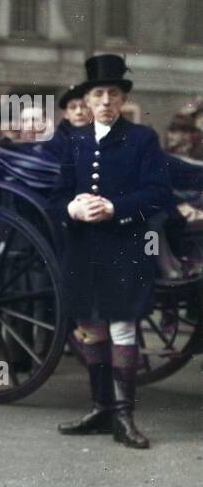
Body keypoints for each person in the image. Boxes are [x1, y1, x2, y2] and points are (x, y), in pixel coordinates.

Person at [49, 55, 173, 449]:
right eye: (98, 93)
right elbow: (55, 195)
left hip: (125, 248)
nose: (105, 100)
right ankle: (101, 408)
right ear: (87, 99)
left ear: (122, 99)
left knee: (122, 327)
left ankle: (124, 415)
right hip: (83, 248)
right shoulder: (74, 140)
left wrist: (116, 207)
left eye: (113, 93)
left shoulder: (142, 139)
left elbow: (158, 195)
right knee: (91, 326)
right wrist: (72, 207)